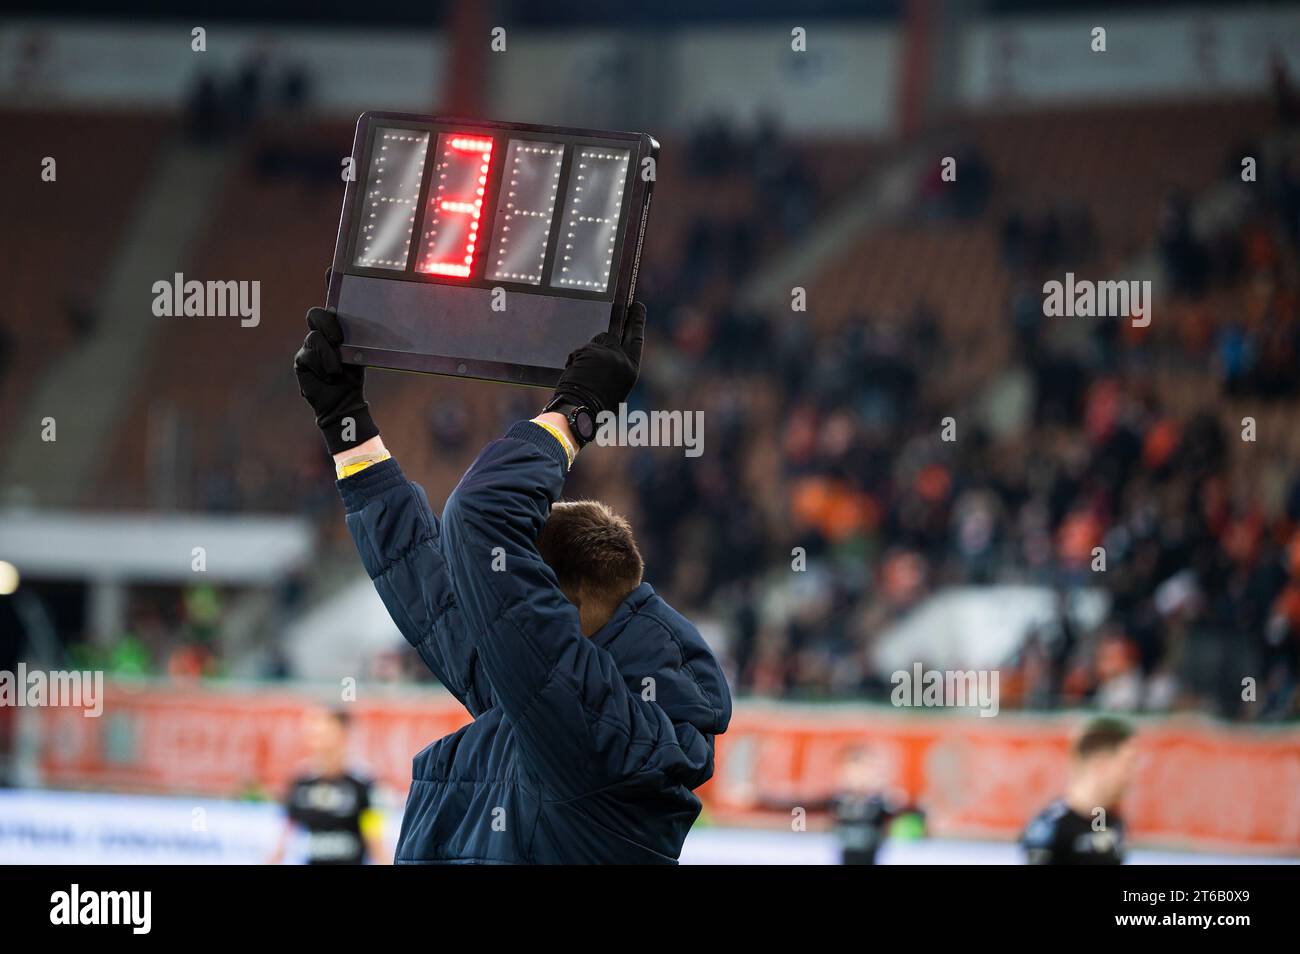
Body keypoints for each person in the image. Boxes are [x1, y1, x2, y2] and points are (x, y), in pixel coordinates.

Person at [293, 302, 732, 864]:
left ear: (560, 603)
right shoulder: (568, 716)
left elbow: (478, 516)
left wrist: (576, 413)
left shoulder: (601, 740)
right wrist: (346, 424)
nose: (495, 596)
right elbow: (427, 586)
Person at [268, 706, 386, 865]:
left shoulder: (362, 783)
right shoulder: (301, 782)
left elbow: (376, 843)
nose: (314, 730)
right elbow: (282, 842)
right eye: (311, 724)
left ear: (342, 731)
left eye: (322, 724)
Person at [1021, 716, 1137, 865]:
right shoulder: (1050, 828)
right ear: (1101, 764)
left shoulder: (1113, 822)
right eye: (1127, 765)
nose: (1131, 775)